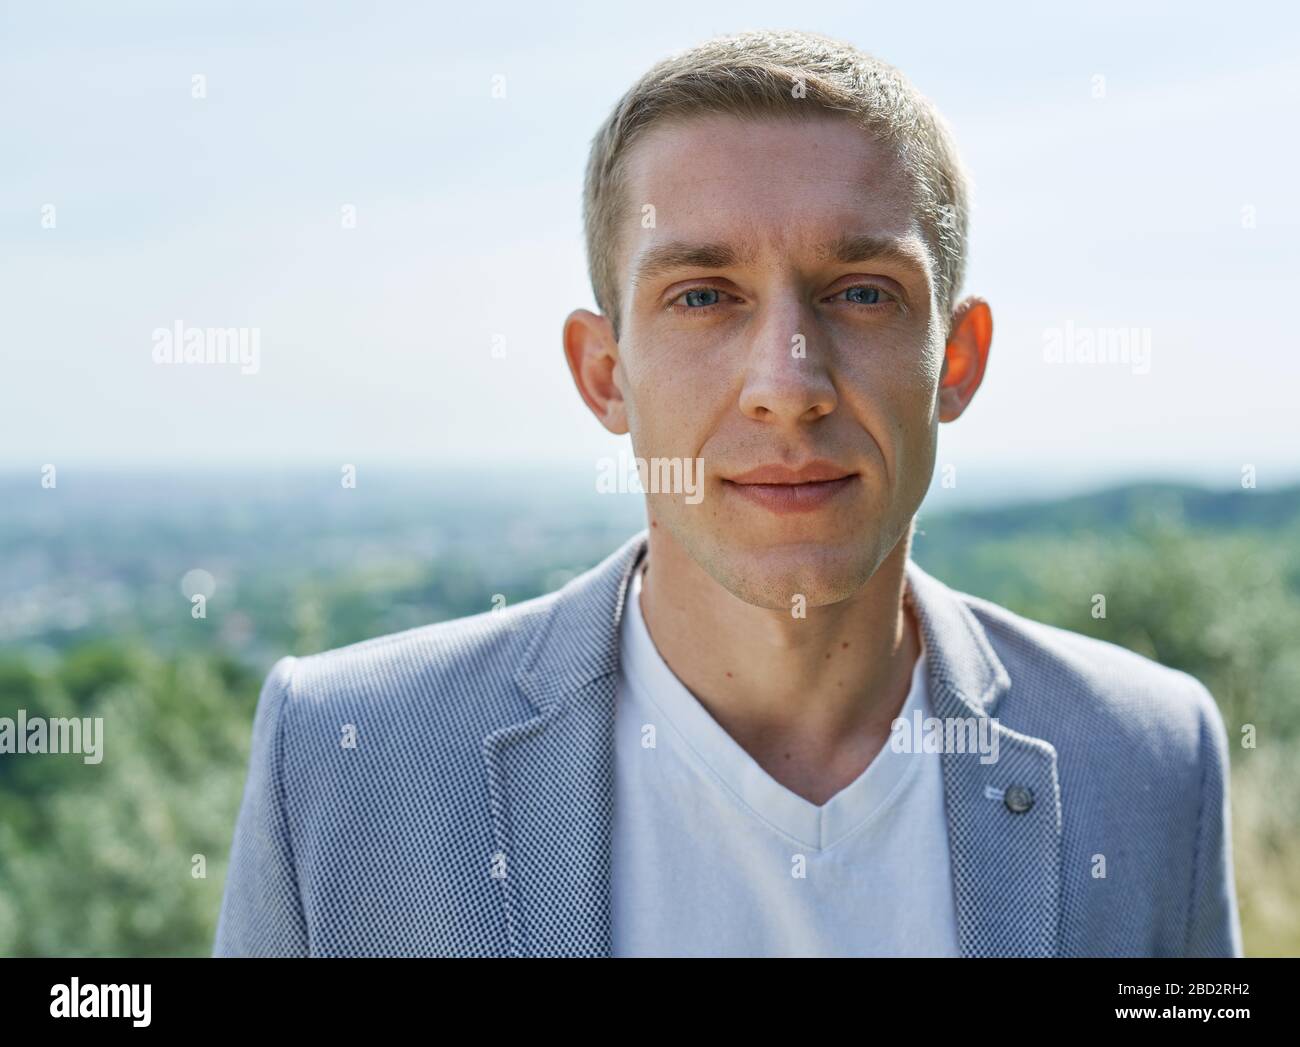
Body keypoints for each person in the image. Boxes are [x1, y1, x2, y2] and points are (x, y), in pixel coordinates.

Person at [214, 28, 1242, 958]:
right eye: (703, 296)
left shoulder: (1147, 759)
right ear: (605, 375)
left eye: (862, 292)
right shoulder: (346, 763)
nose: (787, 386)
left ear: (957, 360)